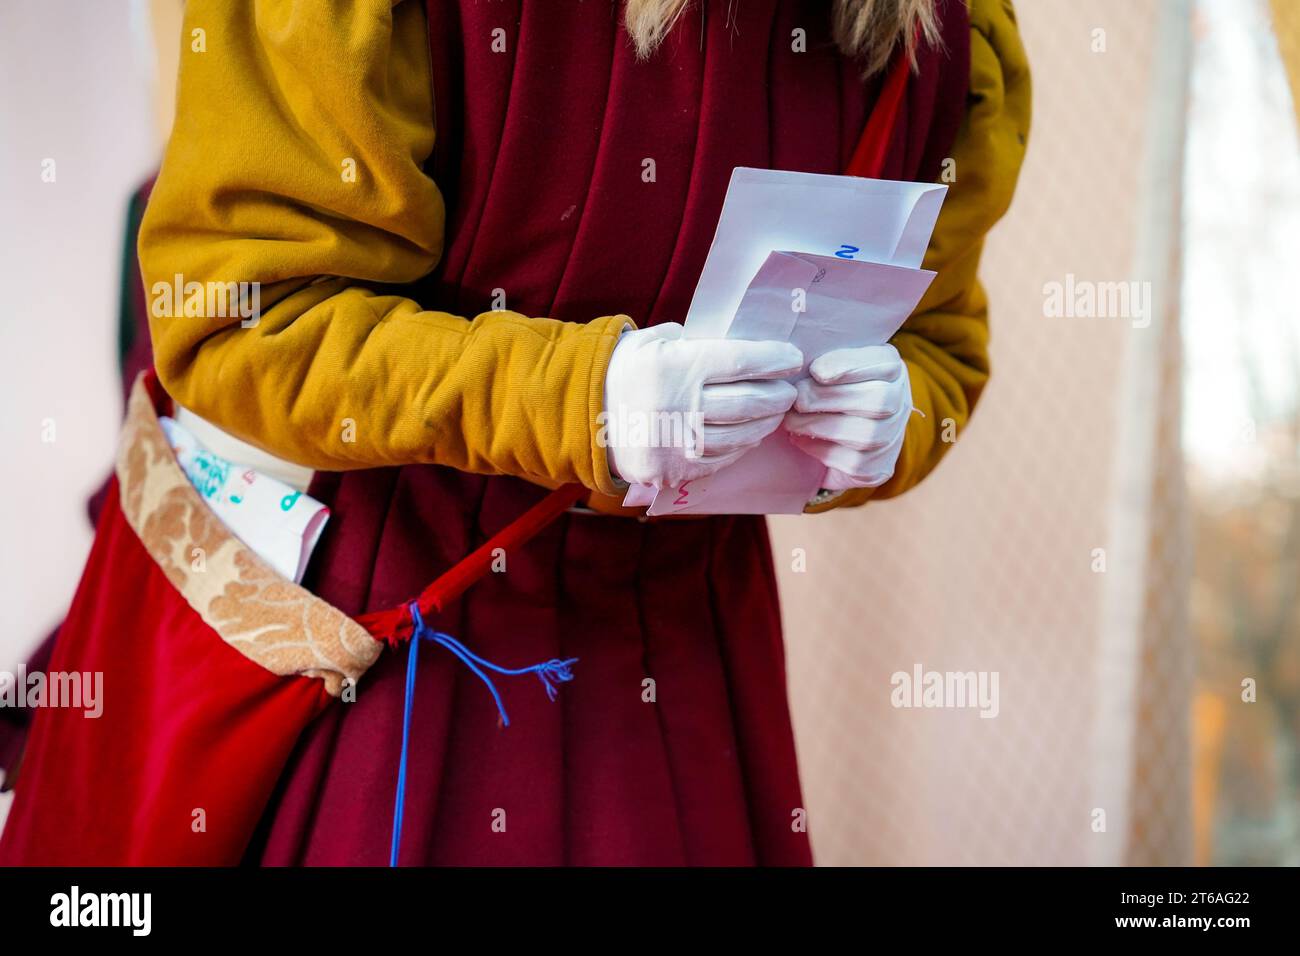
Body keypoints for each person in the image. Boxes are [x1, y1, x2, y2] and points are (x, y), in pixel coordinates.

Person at [129, 0, 1029, 865]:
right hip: (393, 647)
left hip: (692, 665)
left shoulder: (947, 29)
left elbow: (939, 340)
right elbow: (245, 314)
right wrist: (586, 397)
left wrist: (894, 414)